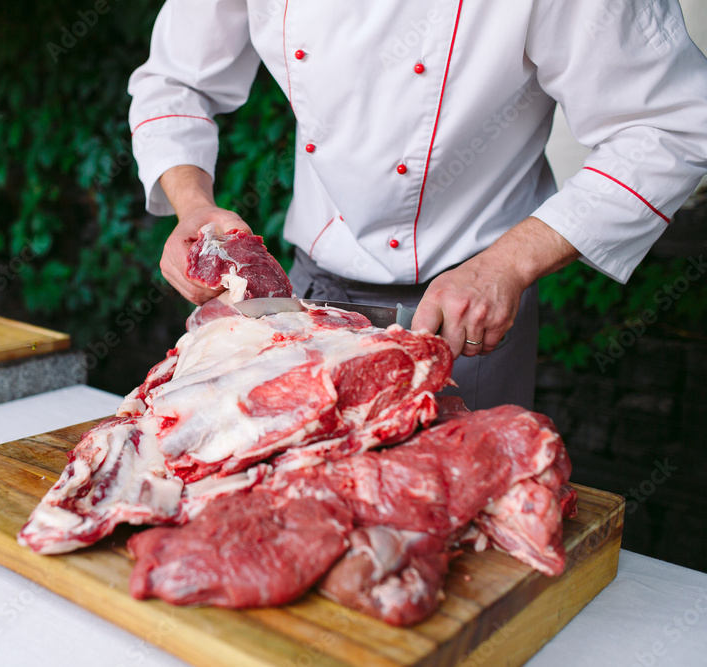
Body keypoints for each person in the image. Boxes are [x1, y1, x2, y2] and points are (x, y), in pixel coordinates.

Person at [127, 0, 707, 410]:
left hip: (466, 312)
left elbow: (673, 125)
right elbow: (176, 79)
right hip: (302, 295)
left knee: (446, 536)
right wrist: (191, 202)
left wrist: (507, 265)